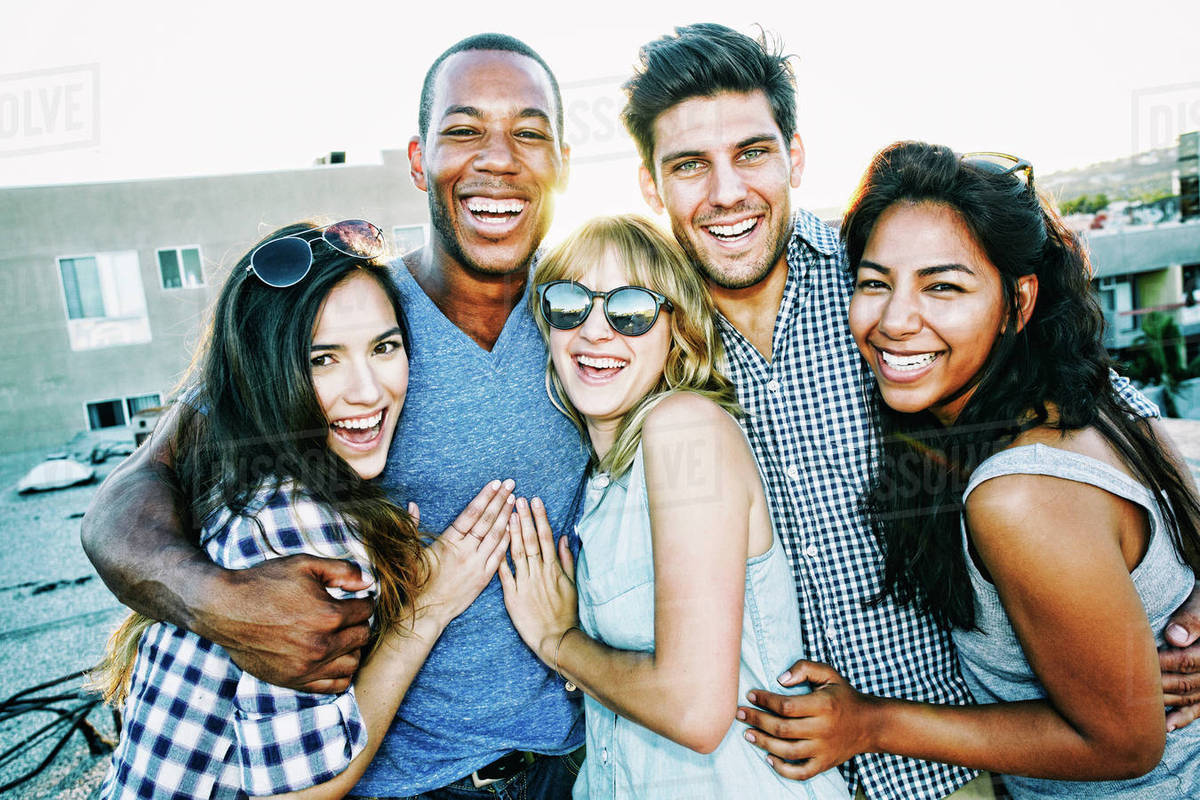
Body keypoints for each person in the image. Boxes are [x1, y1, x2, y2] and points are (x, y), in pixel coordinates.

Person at [619, 23, 1200, 800]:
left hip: (968, 765)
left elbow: (1103, 405)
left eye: (752, 152)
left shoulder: (886, 281)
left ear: (794, 155)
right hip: (789, 779)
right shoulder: (649, 338)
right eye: (689, 165)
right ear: (653, 186)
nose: (726, 192)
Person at [82, 34, 589, 799]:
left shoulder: (592, 323)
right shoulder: (349, 317)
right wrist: (217, 600)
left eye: (529, 132)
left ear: (563, 164)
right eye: (464, 130)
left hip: (569, 764)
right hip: (396, 782)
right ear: (418, 160)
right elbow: (135, 488)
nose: (498, 158)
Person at [736, 140, 1200, 799]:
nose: (896, 321)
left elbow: (1126, 742)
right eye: (874, 282)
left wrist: (872, 723)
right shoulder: (1094, 396)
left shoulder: (1019, 496)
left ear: (1018, 302)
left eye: (944, 287)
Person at [92, 221, 514, 798]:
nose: (366, 390)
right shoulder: (296, 524)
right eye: (323, 359)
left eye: (383, 347)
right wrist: (429, 608)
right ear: (268, 371)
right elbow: (309, 792)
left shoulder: (236, 475)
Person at [497, 214, 850, 800]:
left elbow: (694, 710)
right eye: (569, 303)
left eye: (630, 310)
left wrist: (559, 641)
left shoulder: (685, 430)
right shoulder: (602, 482)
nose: (595, 330)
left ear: (677, 330)